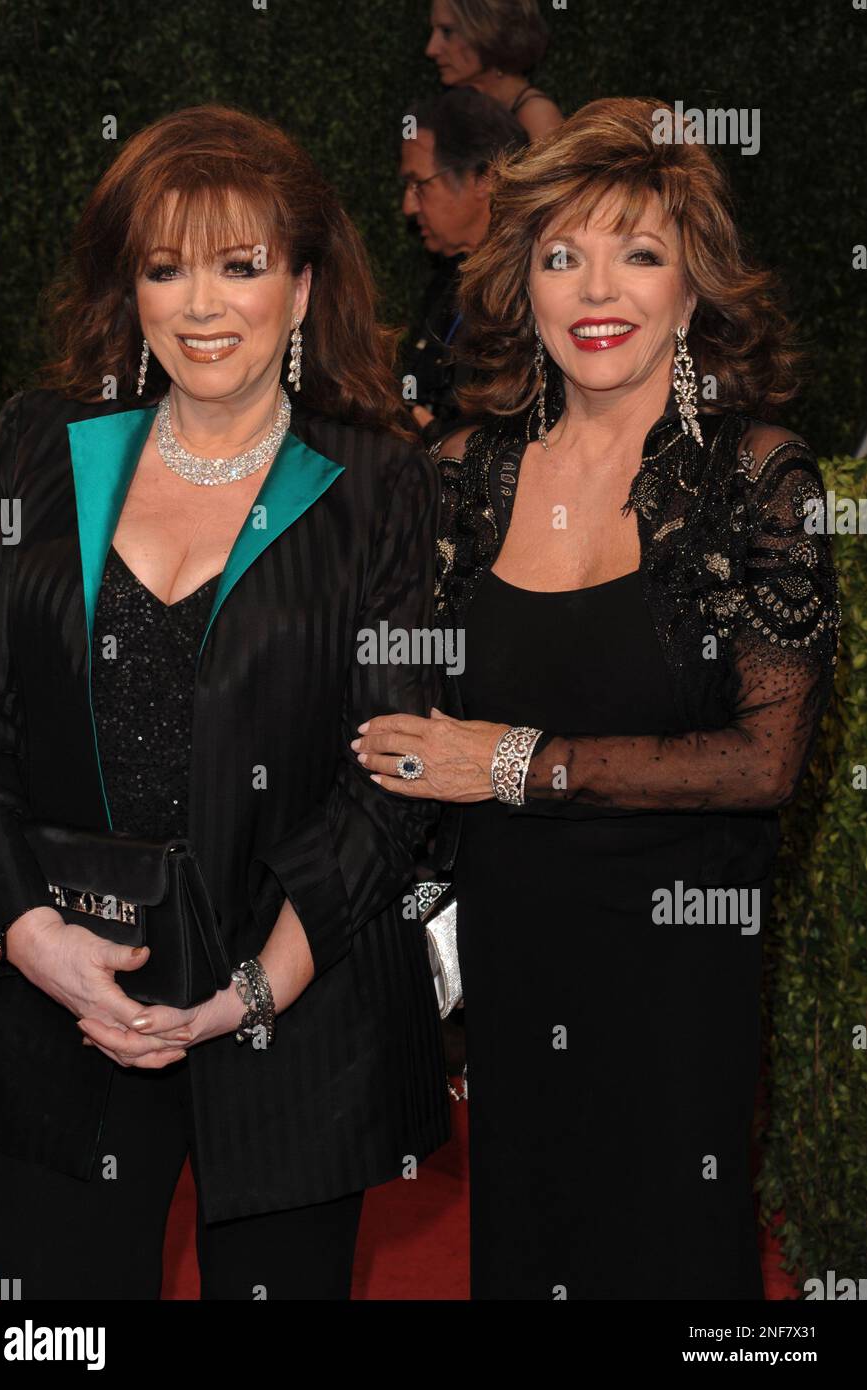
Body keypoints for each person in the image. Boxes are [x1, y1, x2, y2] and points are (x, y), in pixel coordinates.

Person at [0, 103, 450, 1301]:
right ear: (129, 286)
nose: (201, 304)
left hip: (295, 1020)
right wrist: (33, 938)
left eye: (241, 265)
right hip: (62, 1009)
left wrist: (248, 991)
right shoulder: (44, 441)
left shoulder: (378, 481)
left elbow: (392, 778)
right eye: (165, 267)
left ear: (302, 283)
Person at [352, 96, 841, 1299]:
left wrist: (516, 762)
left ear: (694, 285)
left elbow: (762, 760)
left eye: (638, 251)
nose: (594, 288)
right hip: (514, 978)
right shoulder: (460, 476)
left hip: (676, 981)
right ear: (523, 282)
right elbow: (395, 714)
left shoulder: (757, 480)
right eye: (561, 255)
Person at [399, 86, 527, 443]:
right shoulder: (450, 276)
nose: (408, 206)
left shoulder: (531, 294)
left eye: (418, 184)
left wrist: (443, 440)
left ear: (484, 178)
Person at [425, 0, 564, 142]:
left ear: (490, 31)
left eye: (447, 32)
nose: (431, 49)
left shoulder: (537, 115)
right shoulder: (458, 107)